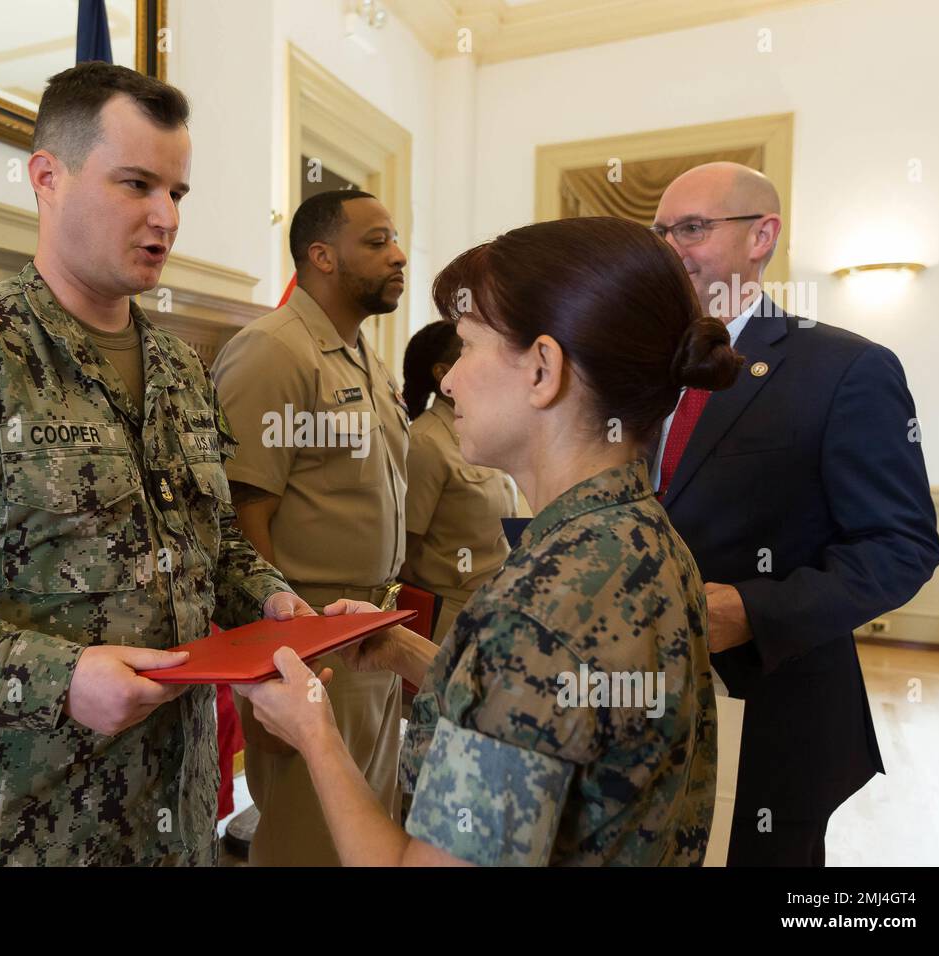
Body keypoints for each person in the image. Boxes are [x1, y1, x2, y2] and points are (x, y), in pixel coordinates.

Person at [0, 63, 312, 867]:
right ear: (47, 177)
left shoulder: (180, 372)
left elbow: (208, 543)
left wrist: (274, 601)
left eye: (178, 193)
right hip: (14, 835)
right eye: (136, 183)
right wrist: (56, 679)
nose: (164, 217)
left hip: (174, 823)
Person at [237, 216, 736, 865]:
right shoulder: (636, 534)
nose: (448, 380)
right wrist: (405, 651)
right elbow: (546, 710)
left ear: (542, 370)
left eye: (469, 346)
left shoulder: (538, 607)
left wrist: (314, 731)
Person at [650, 162, 939, 866]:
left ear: (762, 236)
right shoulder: (640, 365)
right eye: (659, 232)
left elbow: (900, 544)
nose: (669, 248)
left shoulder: (845, 368)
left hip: (775, 708)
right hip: (646, 705)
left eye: (691, 228)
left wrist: (751, 610)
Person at [210, 189, 410, 866]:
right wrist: (277, 660)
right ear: (321, 257)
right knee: (308, 844)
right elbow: (239, 519)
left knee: (366, 836)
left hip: (370, 637)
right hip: (311, 643)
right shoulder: (272, 351)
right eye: (378, 241)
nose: (398, 254)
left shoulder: (365, 362)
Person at [401, 320, 517, 643]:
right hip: (447, 617)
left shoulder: (481, 432)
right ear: (442, 373)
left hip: (493, 607)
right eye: (467, 350)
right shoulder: (426, 442)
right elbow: (404, 555)